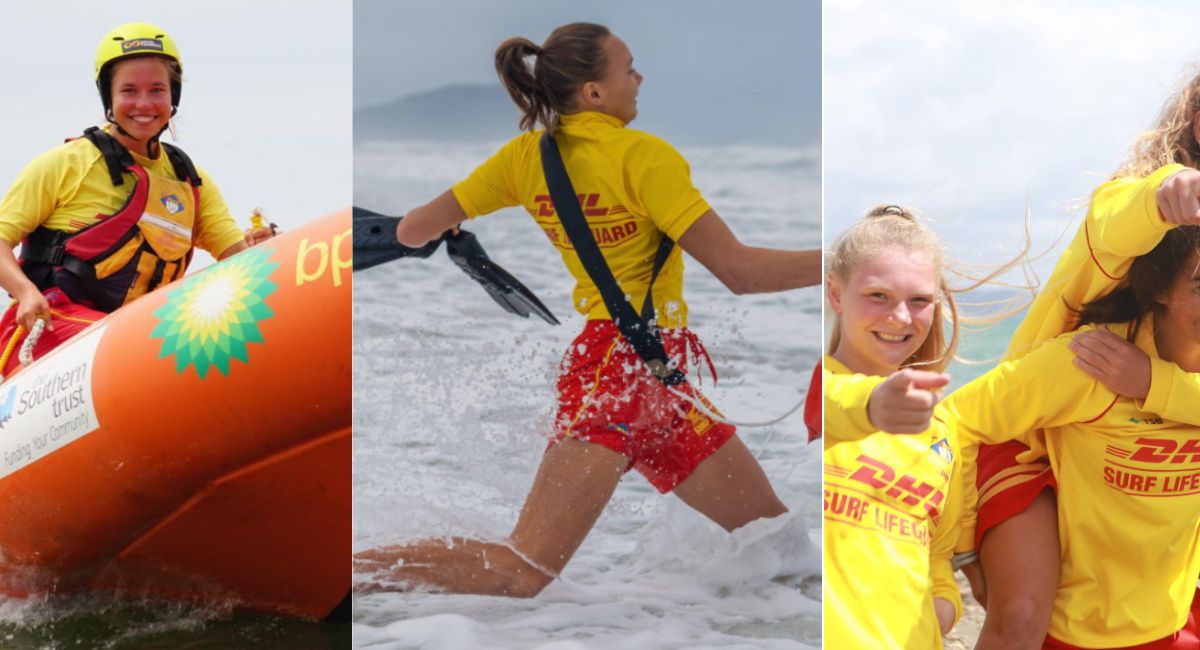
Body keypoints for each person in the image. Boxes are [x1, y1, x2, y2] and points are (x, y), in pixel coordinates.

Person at [353, 22, 821, 597]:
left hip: (658, 381)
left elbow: (410, 229)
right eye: (628, 68)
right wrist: (845, 264)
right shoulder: (647, 157)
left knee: (783, 547)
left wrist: (451, 223)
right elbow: (741, 273)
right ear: (595, 92)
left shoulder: (524, 159)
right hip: (617, 377)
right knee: (523, 571)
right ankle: (349, 573)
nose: (639, 77)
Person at [960, 69, 1200, 650]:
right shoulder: (1145, 195)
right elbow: (1116, 214)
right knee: (1022, 614)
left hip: (1134, 437)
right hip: (1037, 422)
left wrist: (1153, 382)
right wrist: (1165, 194)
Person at [0, 21, 273, 375]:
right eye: (129, 90)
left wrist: (261, 250)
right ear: (108, 97)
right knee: (149, 351)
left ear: (172, 95)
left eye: (157, 90)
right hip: (51, 330)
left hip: (143, 344)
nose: (143, 104)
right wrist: (24, 292)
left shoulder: (190, 180)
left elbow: (237, 260)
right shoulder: (66, 164)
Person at [823, 205, 974, 649]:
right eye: (879, 296)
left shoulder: (943, 428)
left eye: (919, 300)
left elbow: (938, 563)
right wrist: (873, 404)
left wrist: (941, 613)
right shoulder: (816, 391)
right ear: (835, 294)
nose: (901, 318)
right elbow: (834, 405)